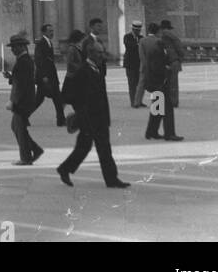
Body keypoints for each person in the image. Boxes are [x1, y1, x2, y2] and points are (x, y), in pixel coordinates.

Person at [56, 30, 129, 190]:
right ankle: (111, 179)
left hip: (99, 118)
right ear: (92, 53)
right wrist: (82, 114)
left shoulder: (97, 70)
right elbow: (72, 95)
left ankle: (65, 169)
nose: (103, 56)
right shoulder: (83, 71)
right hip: (90, 119)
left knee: (88, 148)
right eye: (100, 53)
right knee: (99, 149)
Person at [6, 34, 43, 165]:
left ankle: (26, 158)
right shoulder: (24, 60)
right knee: (17, 127)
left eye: (14, 47)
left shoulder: (23, 61)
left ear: (22, 47)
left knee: (19, 128)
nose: (12, 50)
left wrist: (12, 101)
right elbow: (20, 80)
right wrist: (11, 77)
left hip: (23, 101)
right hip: (26, 99)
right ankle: (35, 150)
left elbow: (20, 85)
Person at [33, 24, 65, 126]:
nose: (52, 33)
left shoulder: (48, 42)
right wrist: (44, 76)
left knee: (57, 99)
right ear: (44, 32)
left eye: (52, 31)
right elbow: (39, 61)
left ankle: (61, 120)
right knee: (39, 100)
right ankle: (23, 116)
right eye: (50, 31)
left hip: (51, 76)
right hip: (45, 77)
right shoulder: (41, 43)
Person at [122, 20, 143, 109]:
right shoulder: (127, 37)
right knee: (132, 83)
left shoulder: (141, 37)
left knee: (139, 83)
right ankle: (133, 102)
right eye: (136, 30)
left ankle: (138, 101)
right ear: (133, 29)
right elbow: (130, 47)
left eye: (139, 30)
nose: (138, 32)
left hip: (139, 63)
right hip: (130, 64)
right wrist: (138, 44)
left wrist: (137, 44)